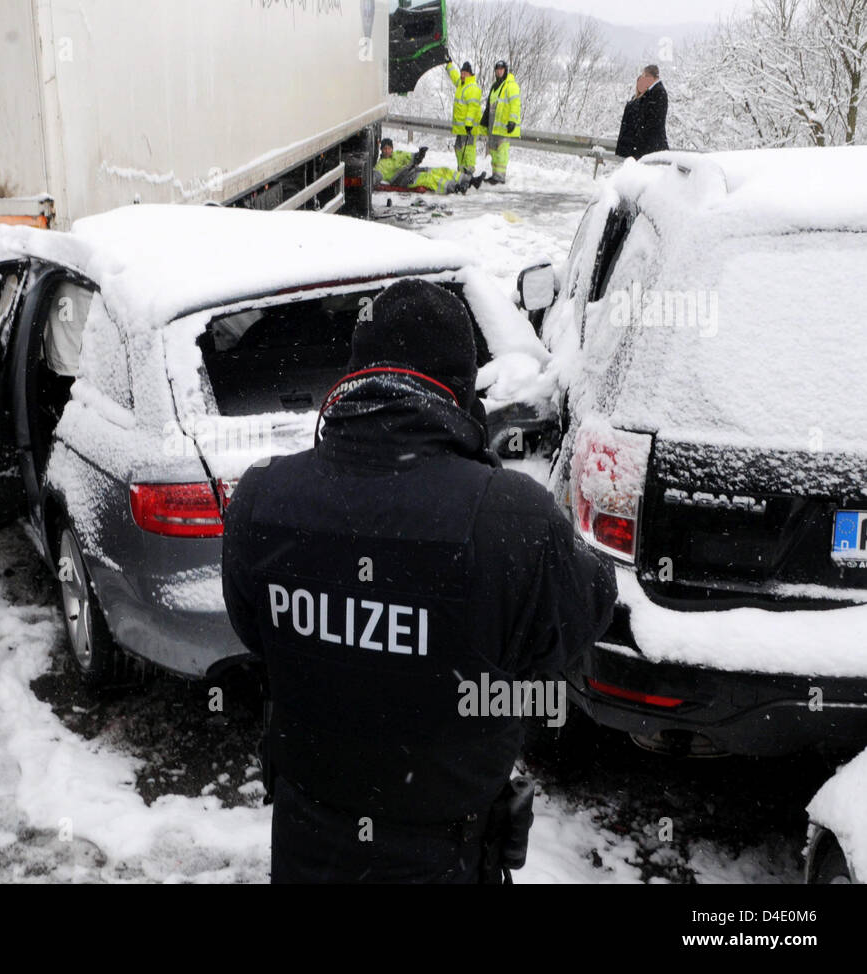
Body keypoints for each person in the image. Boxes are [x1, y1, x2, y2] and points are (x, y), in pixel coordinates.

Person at [222, 279, 617, 884]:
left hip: (308, 848)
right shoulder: (513, 519)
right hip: (442, 858)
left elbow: (256, 632)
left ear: (354, 372)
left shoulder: (262, 498)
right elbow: (585, 616)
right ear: (462, 391)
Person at [373, 138, 484, 195]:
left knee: (440, 170)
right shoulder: (381, 165)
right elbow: (375, 176)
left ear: (392, 148)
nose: (387, 151)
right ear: (381, 150)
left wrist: (419, 155)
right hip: (402, 180)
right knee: (428, 178)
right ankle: (456, 188)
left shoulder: (398, 154)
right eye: (385, 149)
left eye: (389, 148)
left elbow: (412, 157)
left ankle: (470, 180)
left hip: (411, 171)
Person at [616, 65, 670, 160]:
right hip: (644, 146)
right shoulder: (650, 93)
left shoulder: (658, 92)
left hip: (650, 146)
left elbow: (652, 121)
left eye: (644, 76)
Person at [444, 60, 485, 182]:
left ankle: (469, 171)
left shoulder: (472, 88)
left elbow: (472, 108)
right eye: (461, 73)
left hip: (469, 127)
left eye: (464, 73)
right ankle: (461, 171)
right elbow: (454, 76)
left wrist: (468, 123)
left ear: (470, 74)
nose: (462, 75)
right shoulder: (462, 84)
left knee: (469, 148)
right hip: (461, 127)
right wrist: (449, 65)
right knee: (459, 148)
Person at [483, 60, 522, 185]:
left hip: (504, 125)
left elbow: (515, 104)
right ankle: (495, 175)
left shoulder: (511, 85)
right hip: (494, 125)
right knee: (494, 150)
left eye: (501, 69)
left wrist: (513, 121)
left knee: (502, 151)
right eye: (497, 69)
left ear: (505, 70)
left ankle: (500, 177)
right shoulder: (495, 86)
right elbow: (490, 105)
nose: (499, 71)